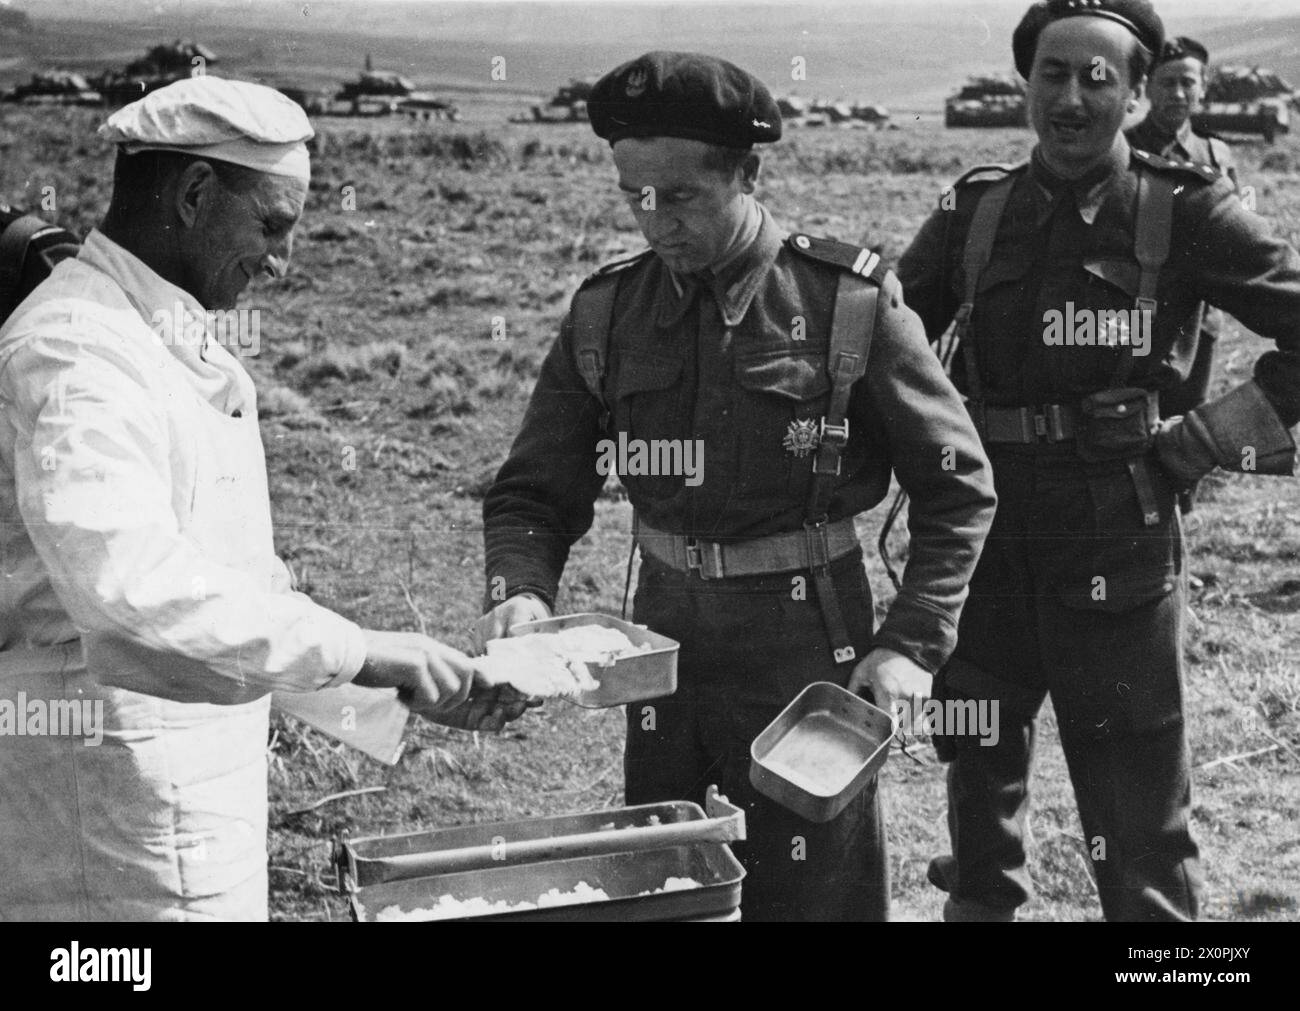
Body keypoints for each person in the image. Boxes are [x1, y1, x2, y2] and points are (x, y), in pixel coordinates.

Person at [477, 51, 996, 922]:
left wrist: (911, 644)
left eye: (679, 197)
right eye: (634, 196)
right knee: (665, 881)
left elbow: (957, 486)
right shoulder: (607, 309)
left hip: (806, 647)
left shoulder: (847, 303)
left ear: (748, 173)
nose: (655, 222)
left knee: (814, 891)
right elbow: (533, 489)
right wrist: (521, 595)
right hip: (660, 646)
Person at [0, 75, 526, 921]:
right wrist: (362, 648)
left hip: (189, 800)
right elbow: (130, 583)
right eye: (273, 226)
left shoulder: (161, 333)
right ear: (195, 193)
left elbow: (233, 602)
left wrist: (397, 691)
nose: (282, 263)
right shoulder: (77, 349)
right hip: (108, 823)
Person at [897, 0, 1299, 921]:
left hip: (1115, 529)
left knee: (1135, 794)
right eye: (1052, 74)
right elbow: (890, 344)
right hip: (984, 535)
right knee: (977, 759)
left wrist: (1200, 442)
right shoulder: (974, 209)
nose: (1071, 98)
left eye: (1097, 78)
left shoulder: (1183, 209)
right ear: (1025, 82)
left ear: (1135, 94)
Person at [1127, 35, 1236, 419]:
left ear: (1203, 88)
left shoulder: (1216, 155)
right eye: (1166, 82)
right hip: (1130, 311)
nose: (1177, 92)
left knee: (1188, 418)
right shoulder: (1121, 149)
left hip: (1198, 314)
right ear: (1146, 88)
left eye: (1187, 82)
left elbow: (1234, 233)